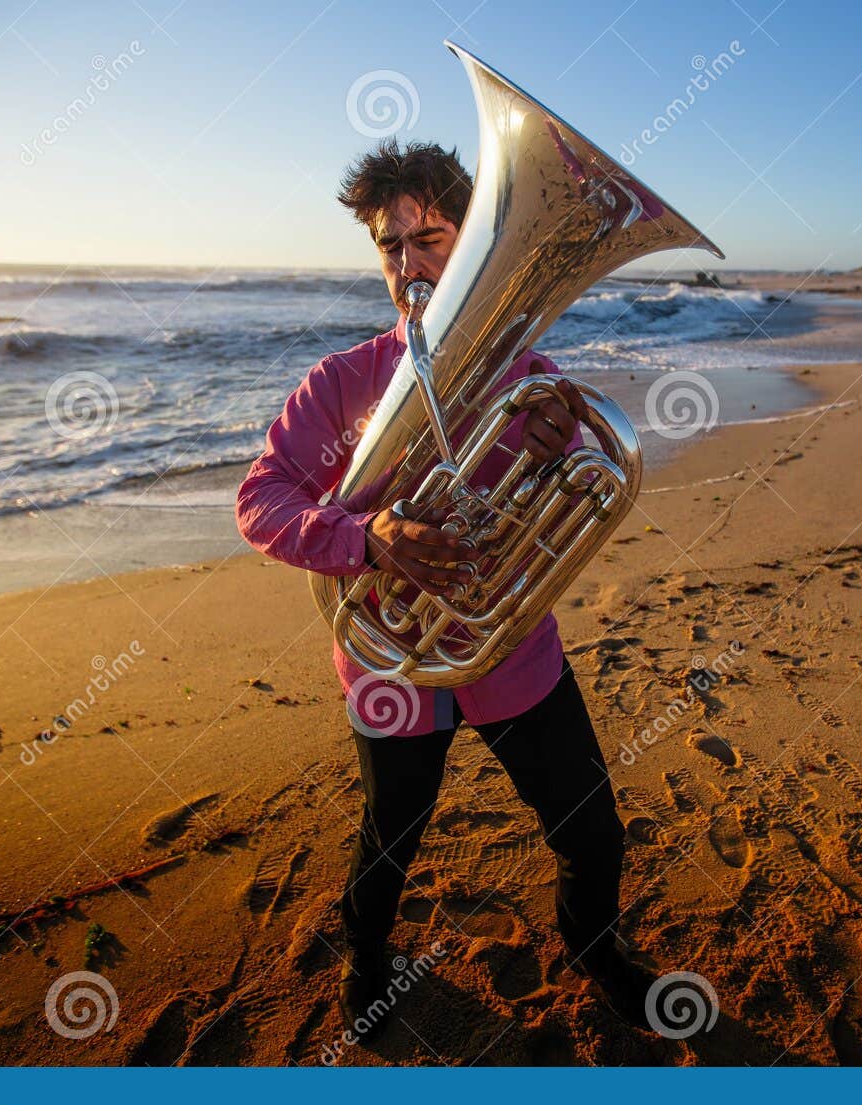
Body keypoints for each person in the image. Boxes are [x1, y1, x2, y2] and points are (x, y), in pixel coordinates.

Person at [235, 139, 657, 1041]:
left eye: (429, 238)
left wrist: (565, 448)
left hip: (508, 648)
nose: (408, 263)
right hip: (390, 661)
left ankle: (592, 945)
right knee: (392, 833)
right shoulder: (343, 382)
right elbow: (260, 499)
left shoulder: (528, 373)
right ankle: (368, 956)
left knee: (590, 828)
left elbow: (583, 481)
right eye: (390, 246)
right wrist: (365, 538)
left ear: (468, 246)